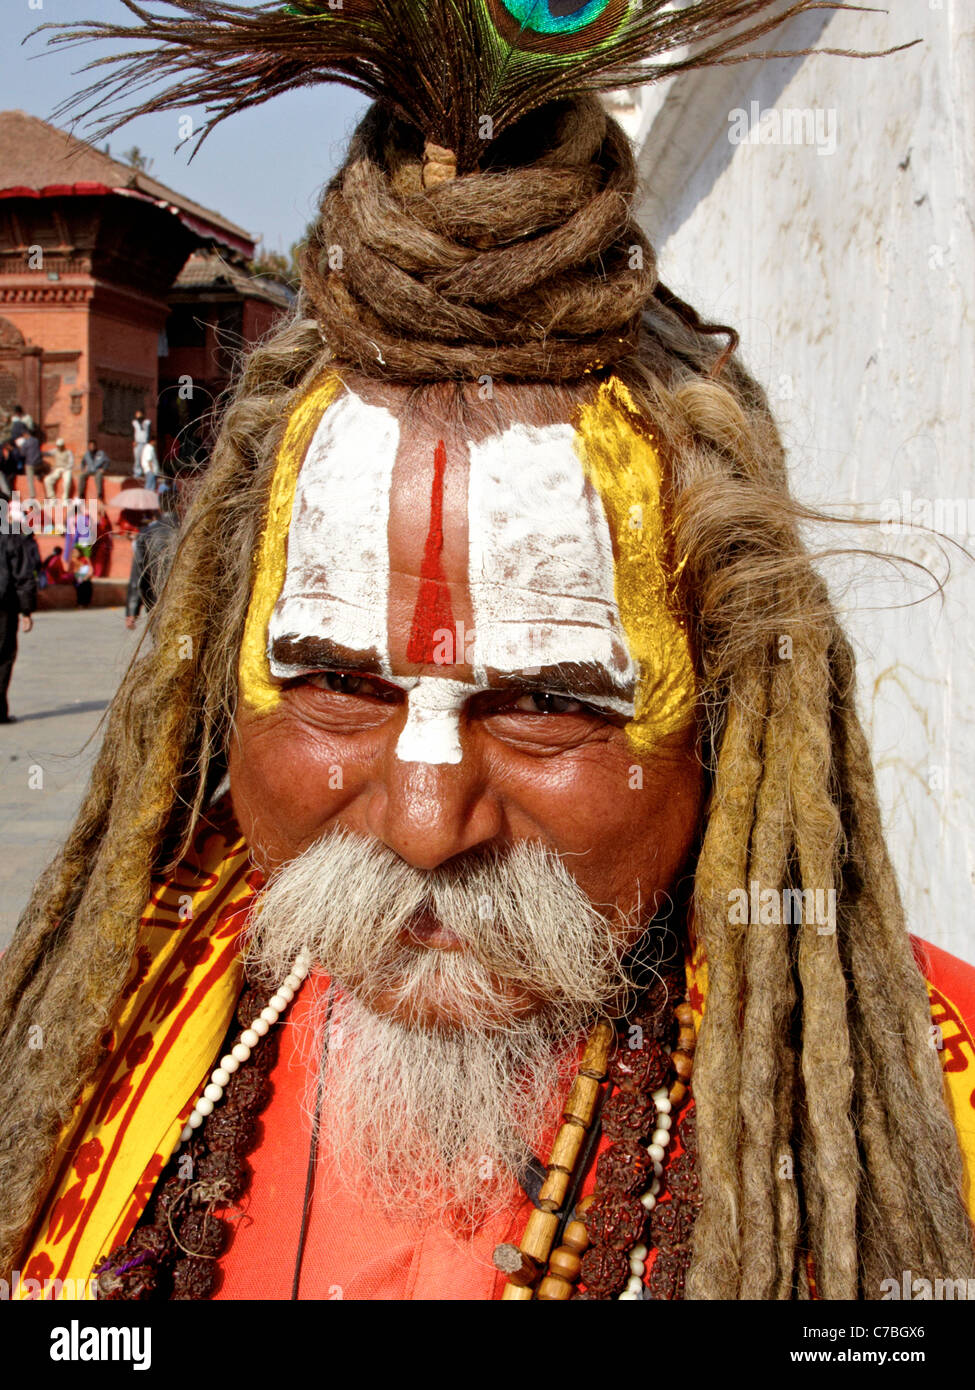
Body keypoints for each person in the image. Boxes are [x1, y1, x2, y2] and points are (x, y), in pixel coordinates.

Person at [2, 0, 974, 1307]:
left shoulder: (922, 1095)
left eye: (543, 704)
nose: (420, 824)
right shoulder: (97, 1030)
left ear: (724, 711)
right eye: (338, 683)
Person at [0, 525, 36, 724]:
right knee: (4, 656)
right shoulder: (11, 535)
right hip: (4, 606)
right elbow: (23, 575)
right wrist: (26, 611)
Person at [124, 507, 177, 628]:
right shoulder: (191, 529)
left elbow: (138, 573)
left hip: (155, 602)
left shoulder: (147, 533)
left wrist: (132, 611)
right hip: (185, 603)